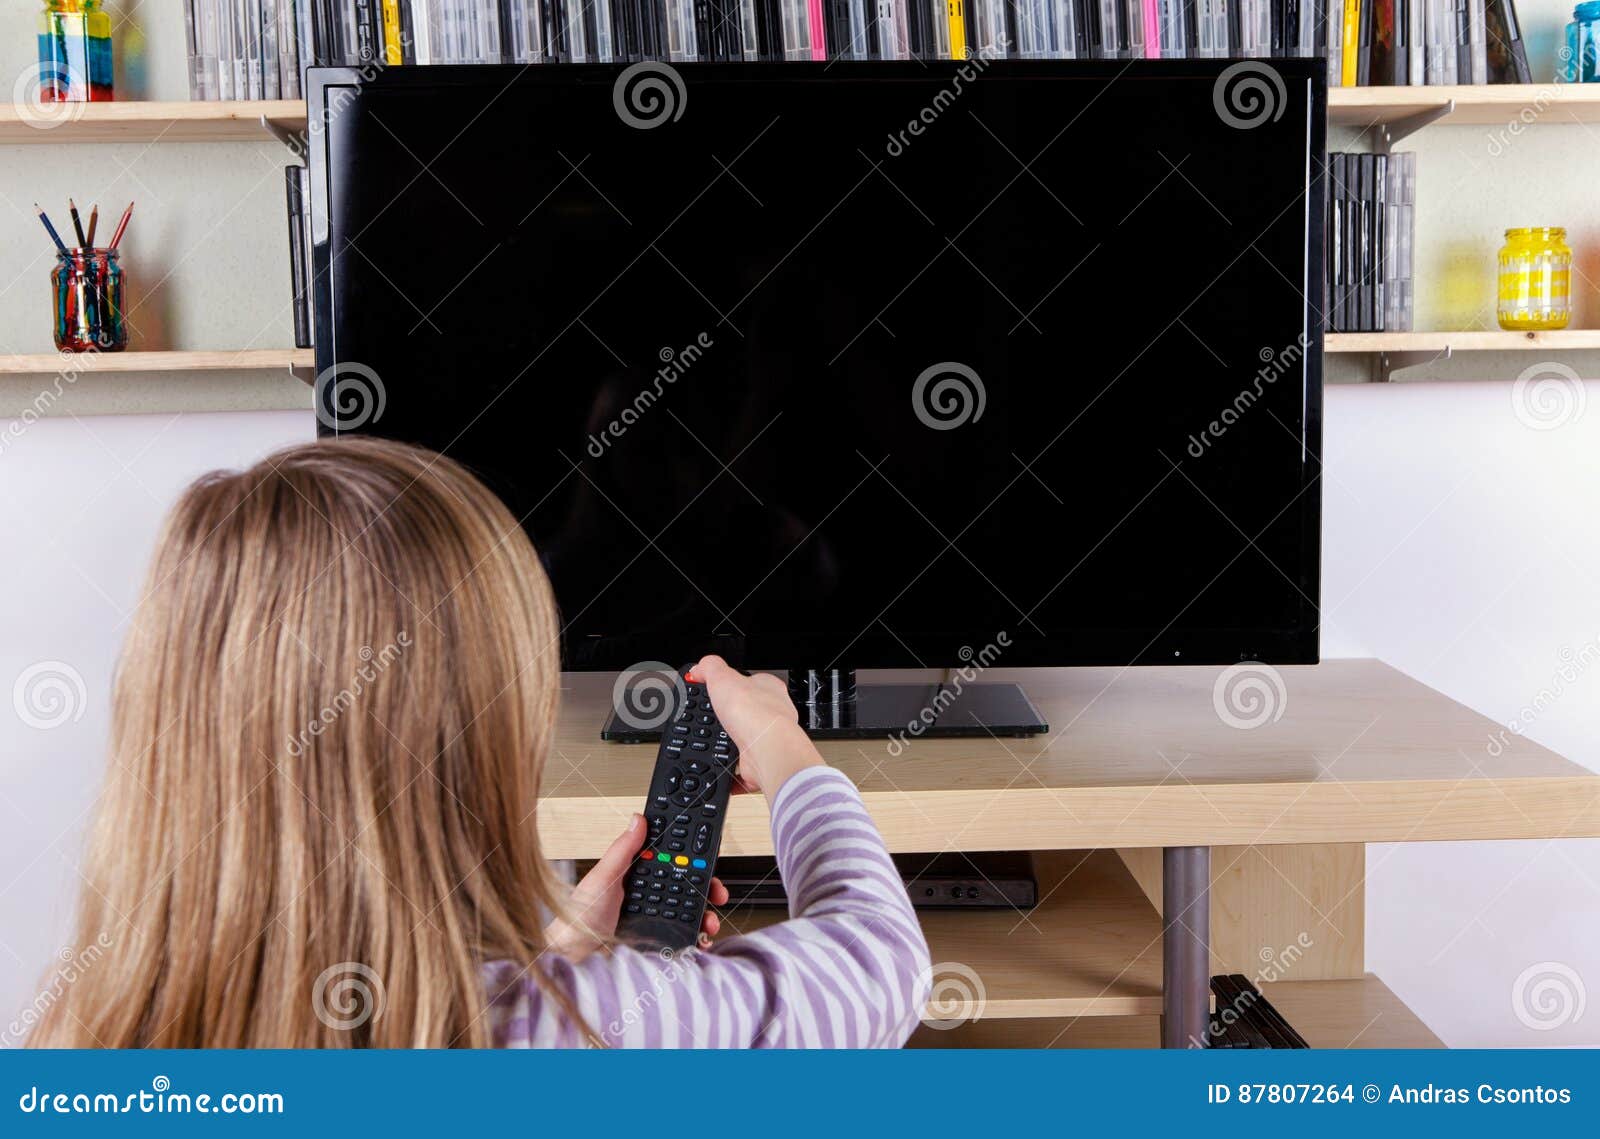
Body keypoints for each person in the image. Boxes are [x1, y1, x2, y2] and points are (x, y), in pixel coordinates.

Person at [27, 438, 929, 1048]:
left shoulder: (81, 1025)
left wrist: (557, 961)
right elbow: (880, 965)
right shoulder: (584, 1026)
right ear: (477, 749)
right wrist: (781, 746)